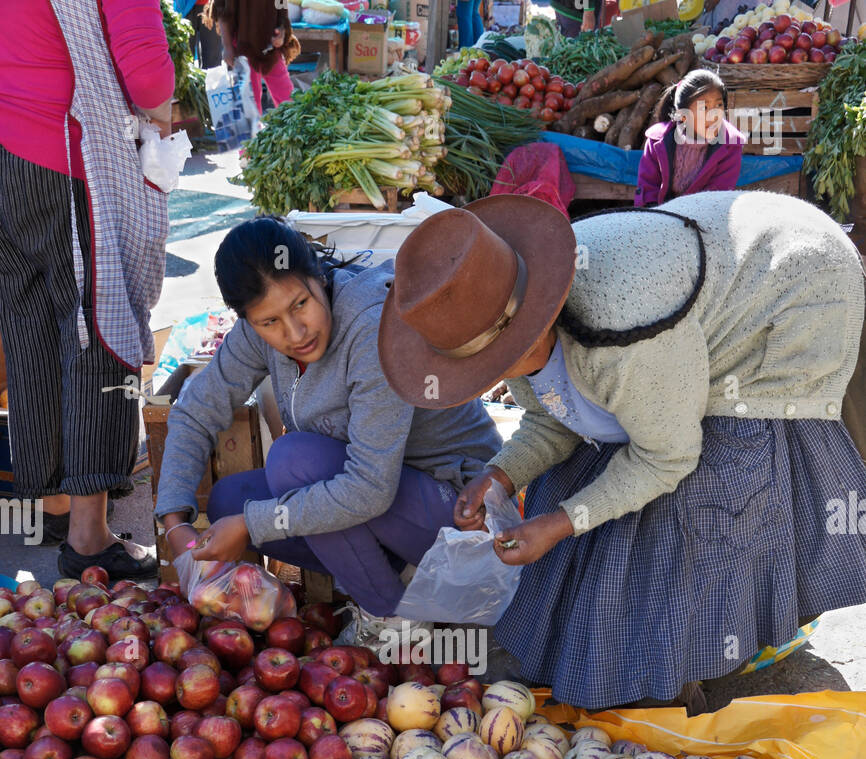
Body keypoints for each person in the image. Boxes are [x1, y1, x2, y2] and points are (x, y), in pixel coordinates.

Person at [378, 192, 866, 712]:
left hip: (792, 283)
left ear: (528, 332)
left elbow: (667, 457)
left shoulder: (624, 331)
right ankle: (615, 654)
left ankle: (681, 669)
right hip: (688, 297)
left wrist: (558, 525)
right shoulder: (514, 324)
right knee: (583, 481)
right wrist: (501, 476)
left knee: (703, 496)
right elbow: (556, 417)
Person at [154, 219, 502, 628]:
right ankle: (392, 572)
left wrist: (253, 523)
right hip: (387, 507)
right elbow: (197, 410)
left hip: (459, 512)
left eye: (300, 304)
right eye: (270, 322)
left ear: (319, 276)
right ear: (248, 321)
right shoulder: (255, 333)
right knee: (229, 501)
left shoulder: (372, 328)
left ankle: (392, 620)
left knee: (292, 462)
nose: (295, 332)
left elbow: (369, 488)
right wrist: (174, 521)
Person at [0, 0, 174, 580]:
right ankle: (89, 537)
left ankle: (49, 505)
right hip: (66, 153)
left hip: (6, 158)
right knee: (98, 328)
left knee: (31, 326)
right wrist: (162, 117)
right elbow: (148, 74)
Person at [635, 70, 744, 208]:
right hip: (660, 214)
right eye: (704, 107)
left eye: (719, 105)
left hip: (704, 218)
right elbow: (648, 187)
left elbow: (716, 196)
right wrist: (653, 215)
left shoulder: (730, 145)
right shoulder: (658, 141)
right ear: (683, 115)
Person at [213, 0, 299, 113]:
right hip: (242, 45)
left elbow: (281, 7)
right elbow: (221, 10)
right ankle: (254, 130)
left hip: (270, 46)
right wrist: (227, 46)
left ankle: (293, 126)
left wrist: (282, 32)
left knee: (286, 96)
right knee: (250, 102)